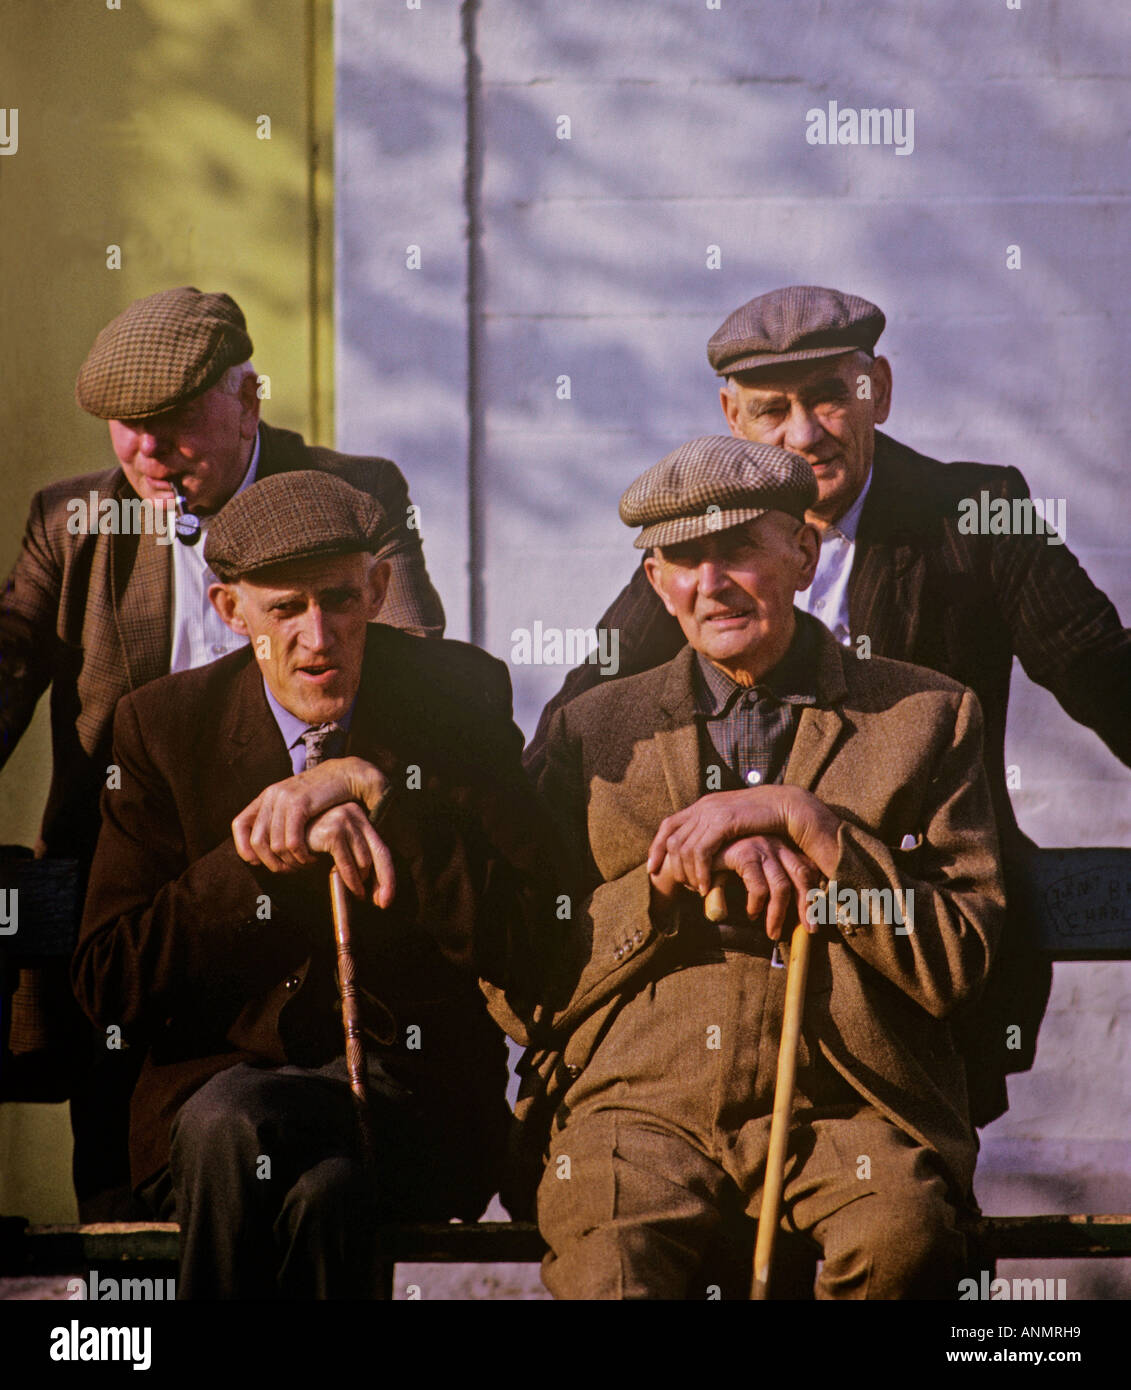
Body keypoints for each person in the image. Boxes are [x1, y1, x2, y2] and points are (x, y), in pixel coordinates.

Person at [524, 284, 1131, 1126]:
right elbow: (576, 731)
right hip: (725, 964)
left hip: (911, 954)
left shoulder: (976, 512)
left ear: (876, 390)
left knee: (907, 1225)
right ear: (731, 415)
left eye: (828, 398)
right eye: (770, 410)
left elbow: (1104, 671)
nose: (802, 434)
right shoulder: (700, 544)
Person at [518, 436, 1005, 1299]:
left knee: (904, 1238)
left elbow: (957, 962)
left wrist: (814, 828)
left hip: (850, 1103)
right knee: (607, 1264)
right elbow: (521, 969)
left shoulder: (926, 715)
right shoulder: (594, 731)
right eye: (683, 559)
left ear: (801, 552)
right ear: (657, 581)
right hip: (638, 1103)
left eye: (739, 547)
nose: (712, 583)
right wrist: (663, 885)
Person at [0, 286, 443, 1217]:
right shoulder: (74, 520)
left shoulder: (350, 495)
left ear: (247, 400)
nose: (148, 453)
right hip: (134, 891)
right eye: (127, 428)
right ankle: (128, 1337)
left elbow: (414, 665)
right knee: (123, 1199)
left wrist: (338, 778)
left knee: (295, 1175)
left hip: (313, 874)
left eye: (174, 424)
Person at [72, 470, 554, 1298]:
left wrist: (379, 796)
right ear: (231, 611)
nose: (317, 637)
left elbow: (533, 940)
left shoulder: (455, 698)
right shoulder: (163, 726)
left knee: (265, 1141)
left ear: (377, 587)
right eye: (283, 610)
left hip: (412, 1100)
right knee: (316, 1186)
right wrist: (255, 856)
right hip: (212, 1117)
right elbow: (108, 982)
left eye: (338, 599)